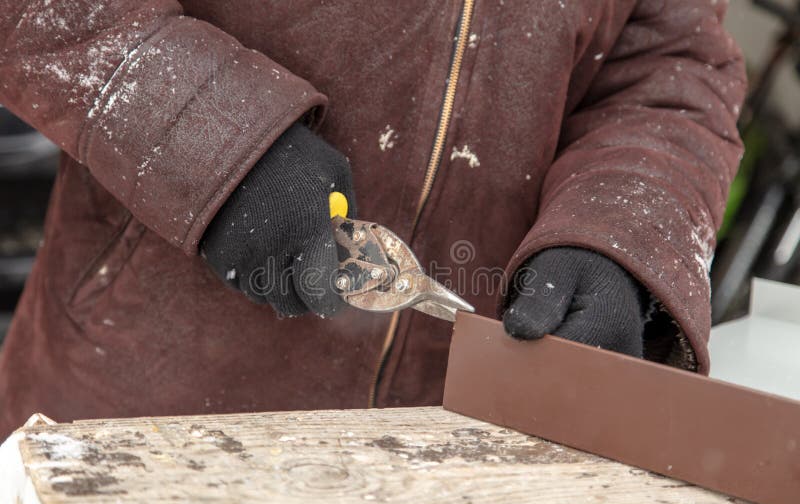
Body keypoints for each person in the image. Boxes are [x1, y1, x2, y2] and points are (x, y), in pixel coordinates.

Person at [0, 0, 745, 438]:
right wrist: (207, 138)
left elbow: (672, 65)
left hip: (455, 445)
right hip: (140, 415)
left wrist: (621, 234)